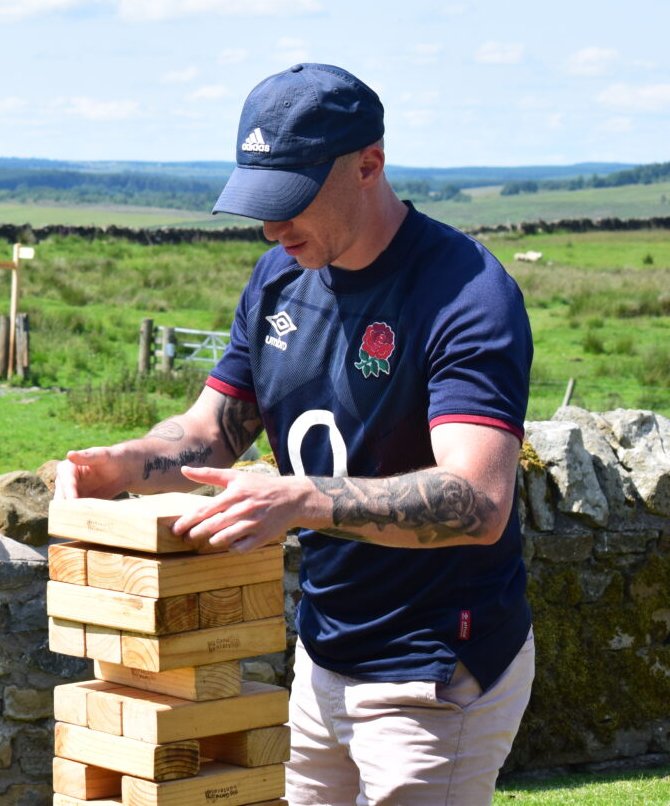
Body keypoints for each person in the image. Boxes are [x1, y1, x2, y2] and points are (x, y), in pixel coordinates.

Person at [56, 63, 534, 806]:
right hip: (321, 660)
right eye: (259, 203)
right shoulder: (277, 279)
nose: (273, 228)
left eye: (292, 200)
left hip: (433, 670)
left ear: (368, 165)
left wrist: (301, 499)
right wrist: (120, 464)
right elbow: (212, 432)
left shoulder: (465, 294)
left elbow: (478, 500)